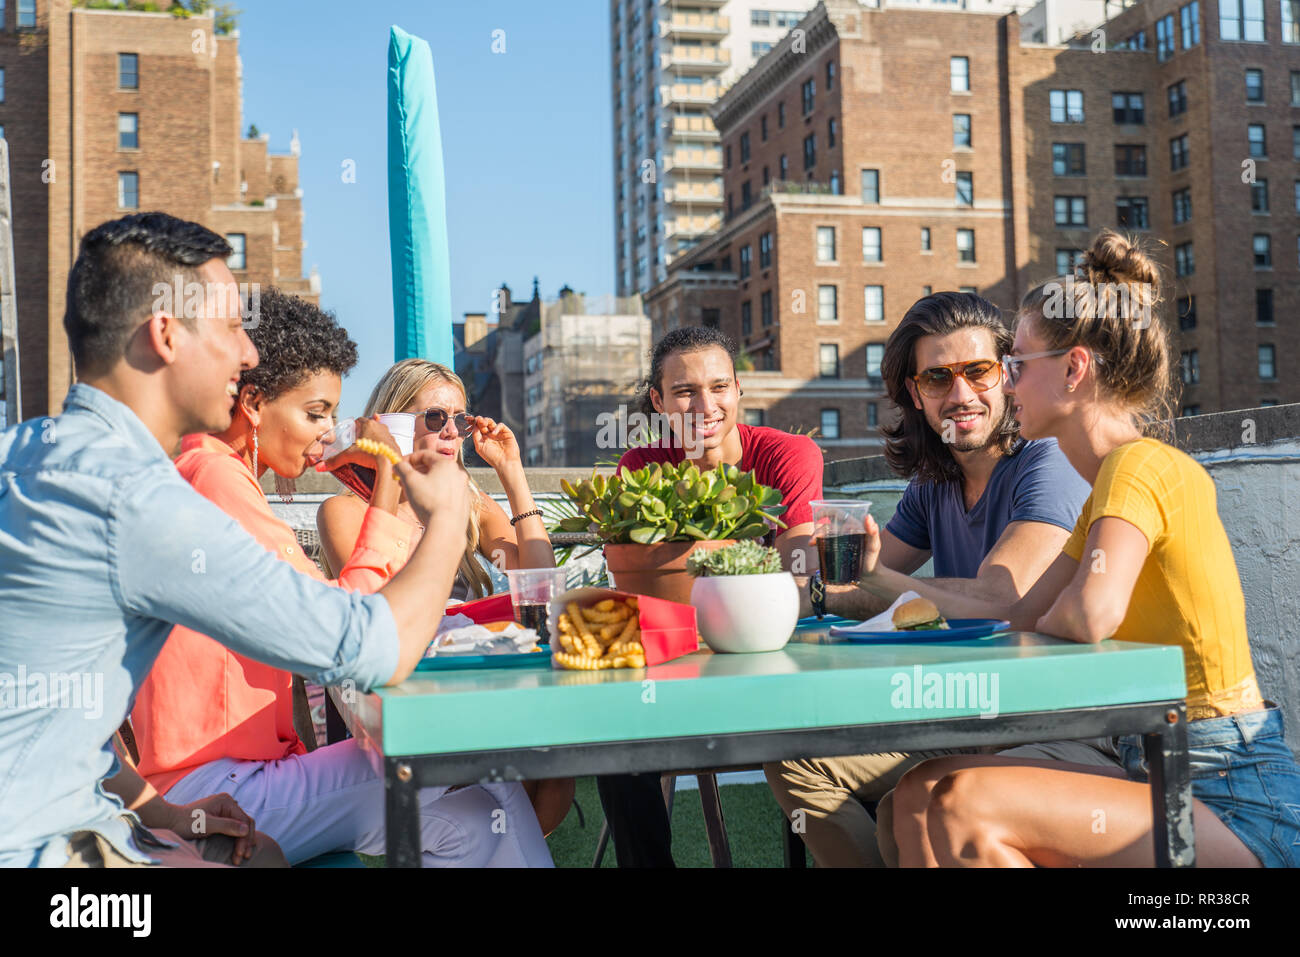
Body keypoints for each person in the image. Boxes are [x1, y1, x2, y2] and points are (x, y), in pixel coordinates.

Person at [0, 212, 470, 867]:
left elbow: (59, 713)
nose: (248, 355)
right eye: (228, 329)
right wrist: (447, 519)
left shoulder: (22, 455)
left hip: (86, 820)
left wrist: (166, 812)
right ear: (165, 334)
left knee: (264, 854)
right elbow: (365, 648)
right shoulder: (139, 498)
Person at [878, 230, 1300, 867]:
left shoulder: (1140, 465)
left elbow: (1087, 615)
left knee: (965, 804)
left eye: (1015, 365)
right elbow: (1017, 615)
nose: (1005, 386)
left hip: (1230, 790)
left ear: (1073, 369)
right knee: (915, 795)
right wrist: (885, 585)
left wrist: (1039, 616)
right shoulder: (1104, 490)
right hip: (1150, 761)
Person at [130, 288, 552, 867]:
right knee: (477, 772)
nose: (327, 432)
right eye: (314, 412)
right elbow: (345, 635)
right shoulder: (214, 481)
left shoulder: (216, 476)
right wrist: (387, 483)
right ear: (253, 403)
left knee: (477, 820)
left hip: (239, 776)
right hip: (214, 787)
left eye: (331, 413)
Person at [767, 292, 1108, 867]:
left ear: (1007, 375)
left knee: (915, 800)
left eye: (978, 371)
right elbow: (856, 581)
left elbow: (1005, 598)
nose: (961, 395)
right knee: (793, 755)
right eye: (937, 379)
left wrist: (863, 584)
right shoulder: (936, 480)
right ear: (914, 394)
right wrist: (766, 596)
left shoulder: (1045, 460)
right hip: (967, 715)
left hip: (1058, 721)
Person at [597, 325, 825, 867]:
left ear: (740, 389)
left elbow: (797, 573)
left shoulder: (789, 456)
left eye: (719, 387)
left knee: (802, 748)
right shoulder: (640, 468)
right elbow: (641, 588)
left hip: (771, 660)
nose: (706, 405)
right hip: (678, 666)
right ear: (658, 401)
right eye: (684, 392)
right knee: (616, 728)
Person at [317, 358, 573, 835]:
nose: (454, 431)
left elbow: (538, 583)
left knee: (557, 770)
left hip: (469, 677)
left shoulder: (470, 501)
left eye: (461, 418)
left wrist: (512, 474)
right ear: (392, 422)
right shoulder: (343, 510)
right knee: (492, 793)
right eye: (436, 417)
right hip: (402, 691)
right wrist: (394, 477)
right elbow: (377, 602)